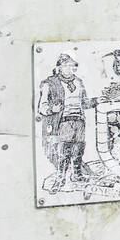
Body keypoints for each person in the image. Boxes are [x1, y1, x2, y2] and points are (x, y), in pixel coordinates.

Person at [36, 54, 98, 192]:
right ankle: (60, 178)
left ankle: (77, 175)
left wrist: (97, 101)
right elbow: (42, 107)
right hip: (63, 120)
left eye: (72, 66)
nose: (70, 69)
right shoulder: (50, 83)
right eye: (66, 66)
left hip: (79, 120)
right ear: (58, 67)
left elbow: (84, 102)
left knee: (79, 149)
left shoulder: (79, 82)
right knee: (65, 150)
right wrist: (53, 109)